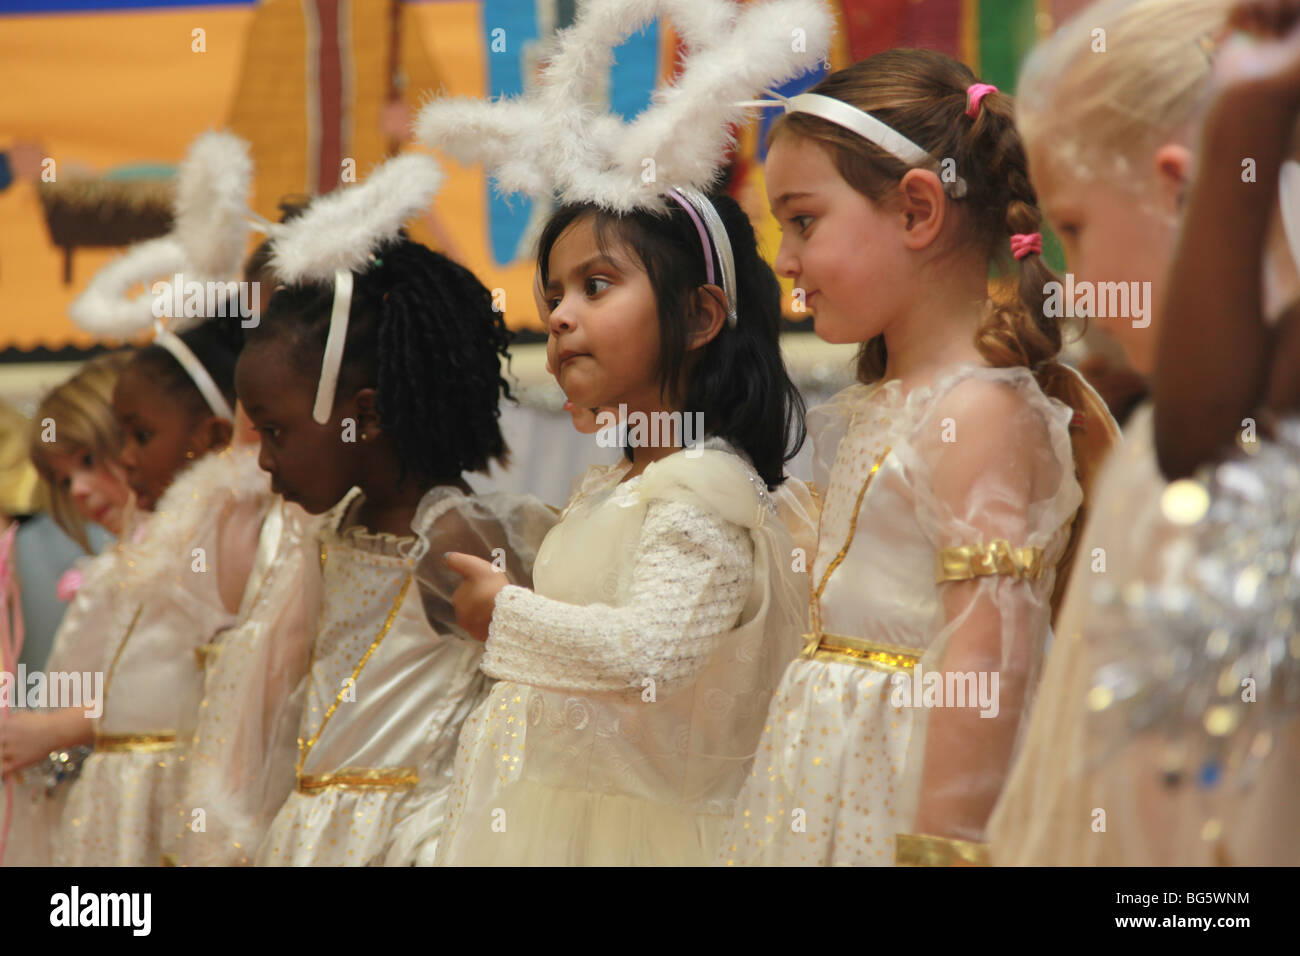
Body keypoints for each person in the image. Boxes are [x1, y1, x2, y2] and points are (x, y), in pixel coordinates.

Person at [721, 47, 1117, 866]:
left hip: (899, 802)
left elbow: (991, 664)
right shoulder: (889, 401)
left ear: (916, 211)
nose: (784, 259)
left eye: (802, 220)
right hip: (823, 790)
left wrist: (944, 850)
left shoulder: (979, 410)